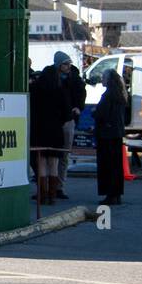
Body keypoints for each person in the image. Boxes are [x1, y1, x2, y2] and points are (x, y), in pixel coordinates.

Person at [29, 64, 69, 204]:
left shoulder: (34, 89)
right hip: (55, 132)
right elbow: (67, 113)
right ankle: (52, 195)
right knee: (53, 164)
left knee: (41, 163)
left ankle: (42, 194)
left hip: (38, 131)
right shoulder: (60, 90)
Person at [94, 69, 129, 205]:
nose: (102, 80)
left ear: (108, 80)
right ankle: (117, 193)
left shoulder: (107, 96)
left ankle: (110, 194)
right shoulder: (120, 95)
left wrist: (94, 113)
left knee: (107, 165)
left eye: (103, 77)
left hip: (106, 134)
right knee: (116, 165)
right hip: (117, 133)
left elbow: (101, 114)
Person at [53, 52, 85, 199]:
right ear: (59, 65)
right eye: (65, 64)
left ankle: (60, 186)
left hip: (67, 120)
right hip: (55, 120)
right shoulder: (52, 79)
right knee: (53, 155)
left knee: (64, 154)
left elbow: (80, 95)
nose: (68, 67)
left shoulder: (75, 80)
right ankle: (52, 185)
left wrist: (78, 107)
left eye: (69, 64)